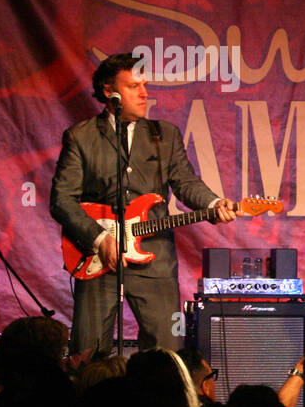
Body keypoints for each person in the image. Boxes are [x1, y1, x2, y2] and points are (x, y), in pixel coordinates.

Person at [50, 53, 241, 357]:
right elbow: (61, 200)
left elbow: (186, 183)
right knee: (87, 354)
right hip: (98, 259)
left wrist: (215, 203)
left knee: (166, 353)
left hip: (155, 260)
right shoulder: (81, 136)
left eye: (145, 85)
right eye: (133, 86)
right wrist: (100, 239)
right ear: (109, 91)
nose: (144, 93)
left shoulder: (164, 135)